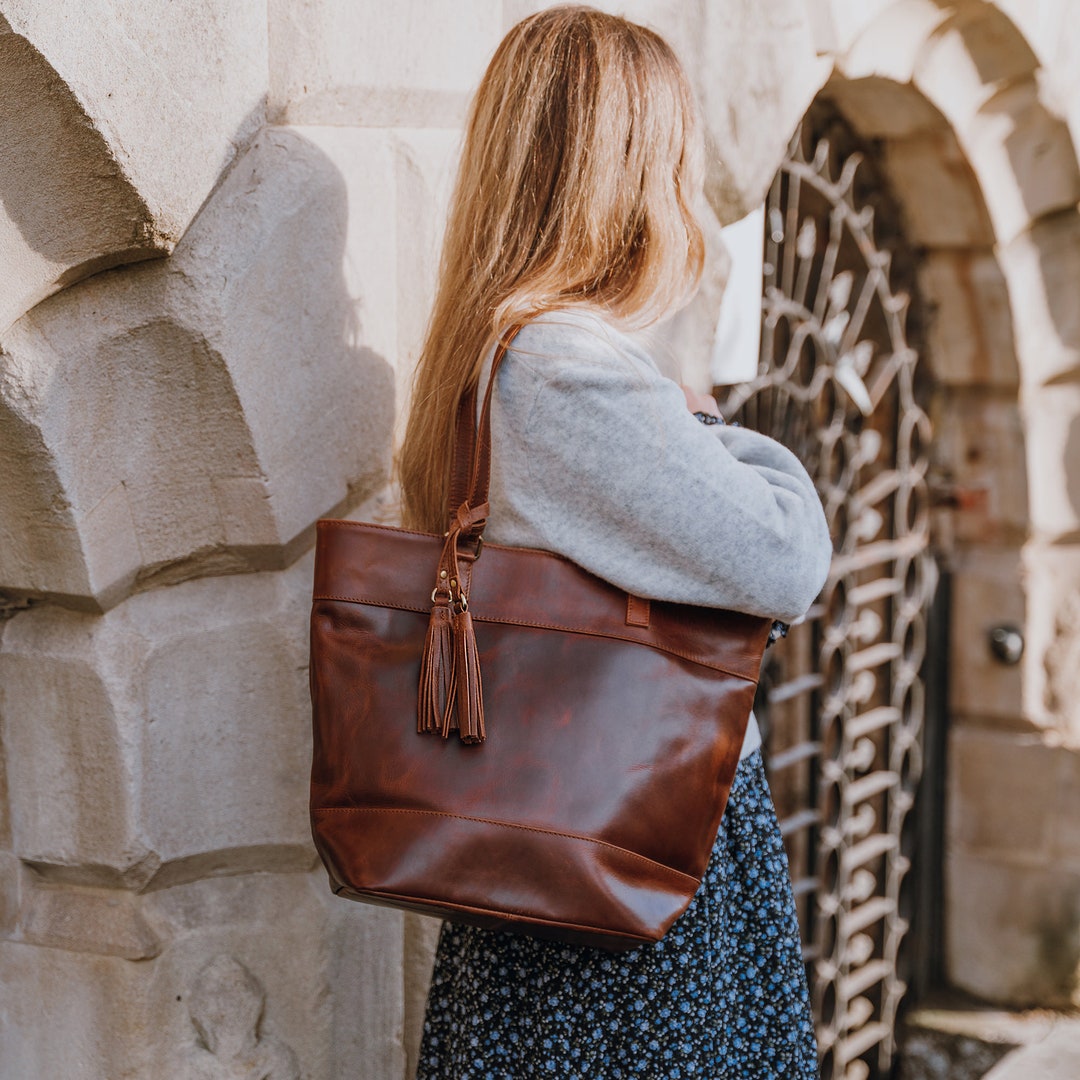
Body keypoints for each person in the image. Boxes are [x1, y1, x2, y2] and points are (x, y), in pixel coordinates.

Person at [397, 7, 832, 1077]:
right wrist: (716, 432)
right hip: (629, 876)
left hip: (577, 855)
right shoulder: (566, 370)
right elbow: (787, 560)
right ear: (631, 174)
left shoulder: (500, 352)